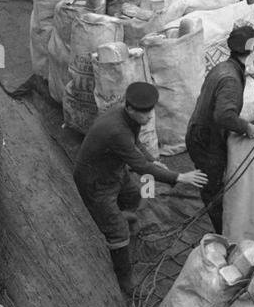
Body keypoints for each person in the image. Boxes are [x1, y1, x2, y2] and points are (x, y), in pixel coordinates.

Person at [74, 81, 206, 294]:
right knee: (116, 232)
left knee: (133, 196)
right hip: (95, 183)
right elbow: (140, 166)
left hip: (114, 171)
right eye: (144, 113)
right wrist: (179, 176)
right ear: (129, 108)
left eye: (151, 110)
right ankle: (125, 280)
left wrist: (153, 160)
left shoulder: (127, 118)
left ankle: (125, 220)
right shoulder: (116, 129)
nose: (149, 116)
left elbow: (136, 144)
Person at [185, 24, 254, 233]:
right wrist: (245, 127)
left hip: (204, 132)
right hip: (205, 141)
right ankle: (224, 235)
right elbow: (223, 115)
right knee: (213, 191)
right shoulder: (231, 79)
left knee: (216, 181)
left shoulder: (225, 67)